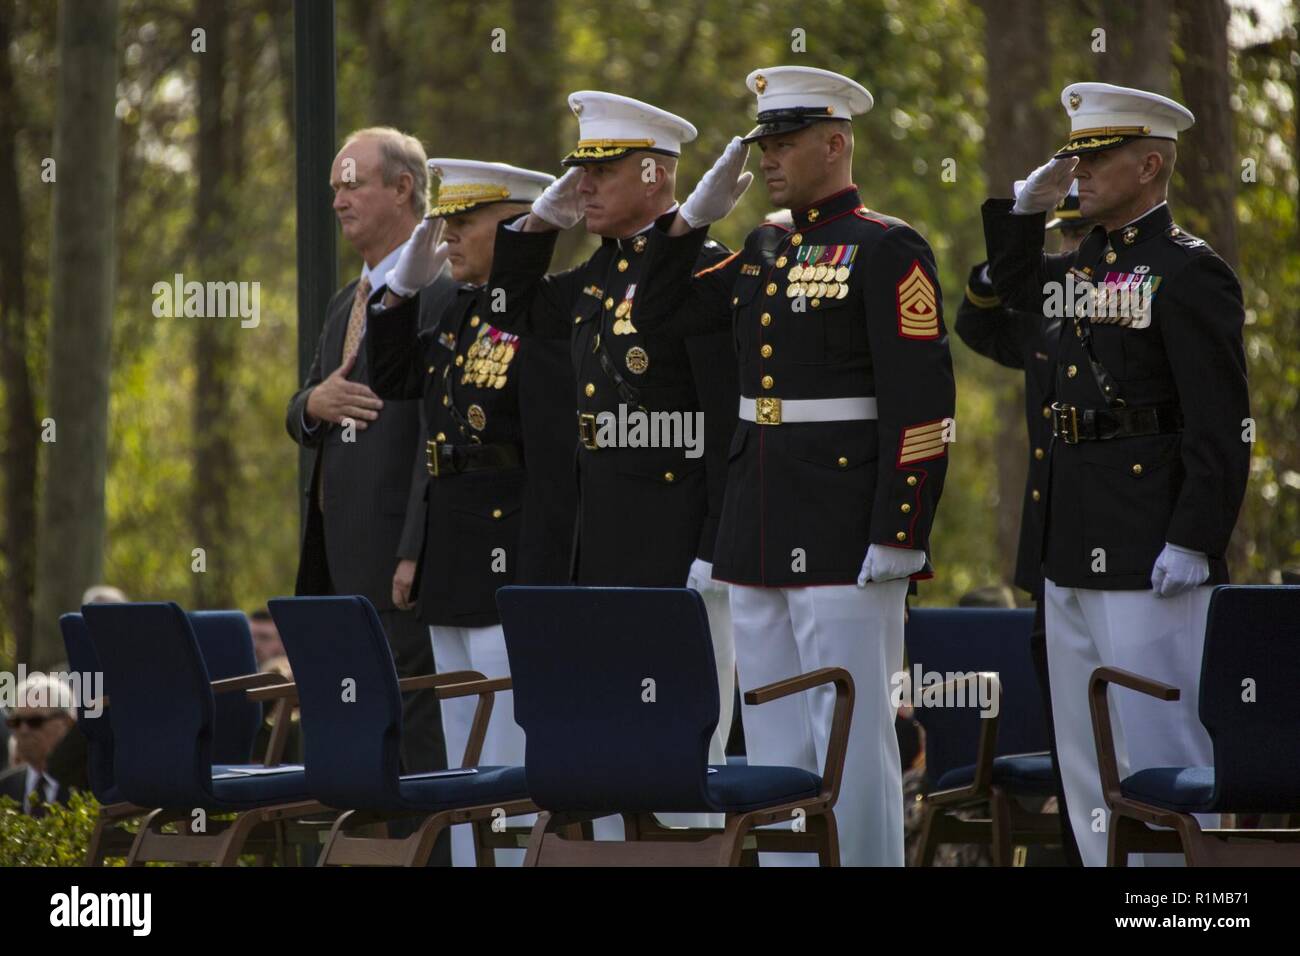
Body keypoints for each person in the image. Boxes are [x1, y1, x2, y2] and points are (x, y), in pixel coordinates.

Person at [654, 66, 956, 866]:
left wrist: (901, 530)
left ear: (836, 142)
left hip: (845, 531)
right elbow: (659, 316)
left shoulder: (886, 247)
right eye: (764, 143)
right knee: (779, 750)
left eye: (785, 142)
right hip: (756, 525)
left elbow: (923, 406)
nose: (771, 158)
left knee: (850, 743)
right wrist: (689, 219)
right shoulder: (760, 248)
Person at [982, 82, 1250, 866]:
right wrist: (1021, 214)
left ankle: (1168, 906)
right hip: (1069, 534)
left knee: (1155, 745)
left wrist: (1196, 537)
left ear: (1152, 164)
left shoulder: (1187, 270)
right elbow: (1013, 296)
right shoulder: (1081, 262)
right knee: (1083, 753)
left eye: (1098, 157)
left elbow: (1220, 423)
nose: (1080, 170)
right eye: (1076, 155)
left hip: (1148, 542)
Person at [472, 92, 751, 777]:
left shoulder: (709, 267)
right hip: (595, 544)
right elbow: (508, 312)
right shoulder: (599, 276)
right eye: (580, 172)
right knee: (602, 757)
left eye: (604, 171)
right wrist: (537, 226)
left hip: (676, 547)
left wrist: (715, 550)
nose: (584, 185)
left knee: (678, 756)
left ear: (657, 176)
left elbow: (723, 424)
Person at [368, 159, 574, 865]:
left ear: (516, 226)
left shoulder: (540, 310)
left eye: (466, 222)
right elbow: (394, 381)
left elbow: (551, 455)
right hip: (453, 545)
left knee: (508, 747)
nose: (449, 236)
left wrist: (540, 569)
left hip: (508, 543)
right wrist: (399, 291)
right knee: (462, 751)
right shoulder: (456, 309)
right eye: (445, 222)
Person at [285, 127, 457, 785]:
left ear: (402, 188)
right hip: (339, 564)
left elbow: (432, 438)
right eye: (333, 188)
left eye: (351, 183)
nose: (338, 200)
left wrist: (415, 546)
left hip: (400, 569)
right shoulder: (340, 307)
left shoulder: (441, 293)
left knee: (416, 736)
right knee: (358, 745)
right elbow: (303, 405)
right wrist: (311, 405)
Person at [955, 182, 1096, 866]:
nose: (1068, 250)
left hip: (1118, 536)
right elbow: (978, 326)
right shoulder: (1043, 313)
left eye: (1078, 237)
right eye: (1061, 238)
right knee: (1067, 719)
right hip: (1051, 544)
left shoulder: (1120, 307)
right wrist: (995, 272)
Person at [0, 675, 76, 816]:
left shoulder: (91, 785)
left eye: (35, 721)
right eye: (15, 722)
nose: (23, 731)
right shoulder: (4, 789)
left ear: (67, 723)